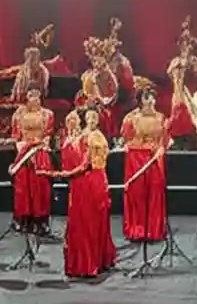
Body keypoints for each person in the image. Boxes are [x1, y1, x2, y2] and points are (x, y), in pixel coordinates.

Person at [50, 107, 118, 278]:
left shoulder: (97, 136)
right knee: (86, 220)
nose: (92, 120)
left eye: (95, 116)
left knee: (98, 218)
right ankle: (87, 262)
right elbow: (78, 163)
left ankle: (100, 259)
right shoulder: (80, 139)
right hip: (85, 180)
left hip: (99, 178)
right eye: (89, 117)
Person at [121, 88, 171, 242]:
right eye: (146, 98)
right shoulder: (130, 119)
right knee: (137, 193)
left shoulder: (162, 118)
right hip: (136, 160)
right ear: (140, 100)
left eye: (152, 98)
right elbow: (127, 139)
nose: (150, 101)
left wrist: (162, 148)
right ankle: (137, 229)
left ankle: (154, 230)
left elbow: (166, 139)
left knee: (155, 192)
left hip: (155, 159)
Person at [10, 86, 55, 234]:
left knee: (41, 187)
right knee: (23, 187)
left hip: (40, 151)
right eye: (31, 96)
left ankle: (41, 220)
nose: (34, 99)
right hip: (24, 152)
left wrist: (41, 147)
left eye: (37, 96)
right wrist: (23, 151)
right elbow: (16, 136)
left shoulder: (47, 114)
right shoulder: (18, 115)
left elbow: (48, 135)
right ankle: (23, 219)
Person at [166, 17, 197, 146]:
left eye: (187, 44)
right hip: (178, 95)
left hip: (191, 96)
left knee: (191, 119)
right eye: (182, 43)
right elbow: (171, 75)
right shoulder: (175, 62)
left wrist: (188, 63)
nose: (185, 47)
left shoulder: (195, 62)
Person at [76, 34, 120, 137]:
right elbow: (85, 93)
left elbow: (111, 94)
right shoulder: (88, 74)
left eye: (99, 60)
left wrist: (100, 100)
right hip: (88, 104)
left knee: (104, 116)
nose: (97, 63)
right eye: (94, 60)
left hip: (103, 105)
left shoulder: (108, 75)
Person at [10, 31, 51, 103]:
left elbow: (44, 87)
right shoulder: (23, 70)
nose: (32, 61)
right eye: (30, 58)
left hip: (37, 97)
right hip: (24, 98)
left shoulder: (42, 70)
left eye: (34, 58)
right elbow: (17, 84)